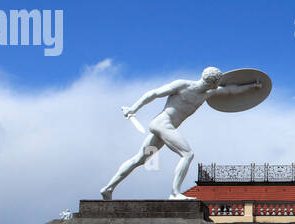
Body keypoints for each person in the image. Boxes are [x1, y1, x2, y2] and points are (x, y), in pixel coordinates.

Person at [100, 67, 264, 200]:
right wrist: (133, 108)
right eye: (217, 82)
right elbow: (154, 94)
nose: (218, 85)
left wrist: (251, 86)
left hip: (164, 127)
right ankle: (174, 193)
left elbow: (230, 90)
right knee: (187, 154)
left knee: (140, 159)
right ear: (214, 82)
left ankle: (108, 188)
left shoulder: (208, 93)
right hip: (163, 124)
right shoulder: (183, 85)